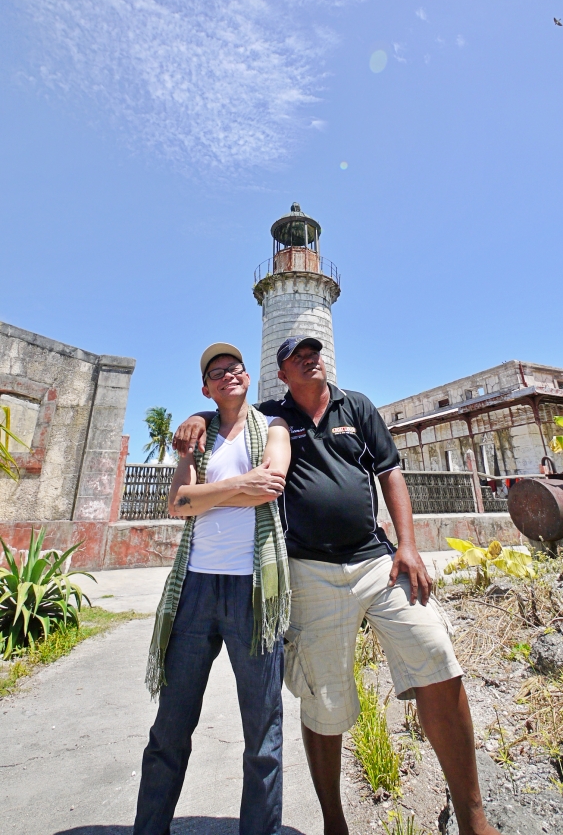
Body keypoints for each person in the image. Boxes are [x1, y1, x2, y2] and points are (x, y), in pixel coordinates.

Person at [174, 337, 501, 835]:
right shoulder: (273, 416)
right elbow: (229, 408)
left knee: (436, 655)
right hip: (309, 571)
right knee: (322, 698)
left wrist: (408, 545)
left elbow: (389, 471)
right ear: (281, 374)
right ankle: (334, 824)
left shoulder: (358, 405)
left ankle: (474, 821)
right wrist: (199, 414)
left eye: (314, 350)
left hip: (377, 561)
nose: (311, 357)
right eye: (296, 356)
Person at [134, 342, 291, 835]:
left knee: (262, 735)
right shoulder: (195, 438)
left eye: (235, 368)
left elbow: (271, 485)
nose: (228, 375)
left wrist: (207, 495)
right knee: (170, 729)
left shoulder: (275, 428)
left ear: (248, 376)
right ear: (206, 388)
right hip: (196, 589)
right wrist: (235, 485)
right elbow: (177, 504)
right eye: (217, 373)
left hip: (255, 591)